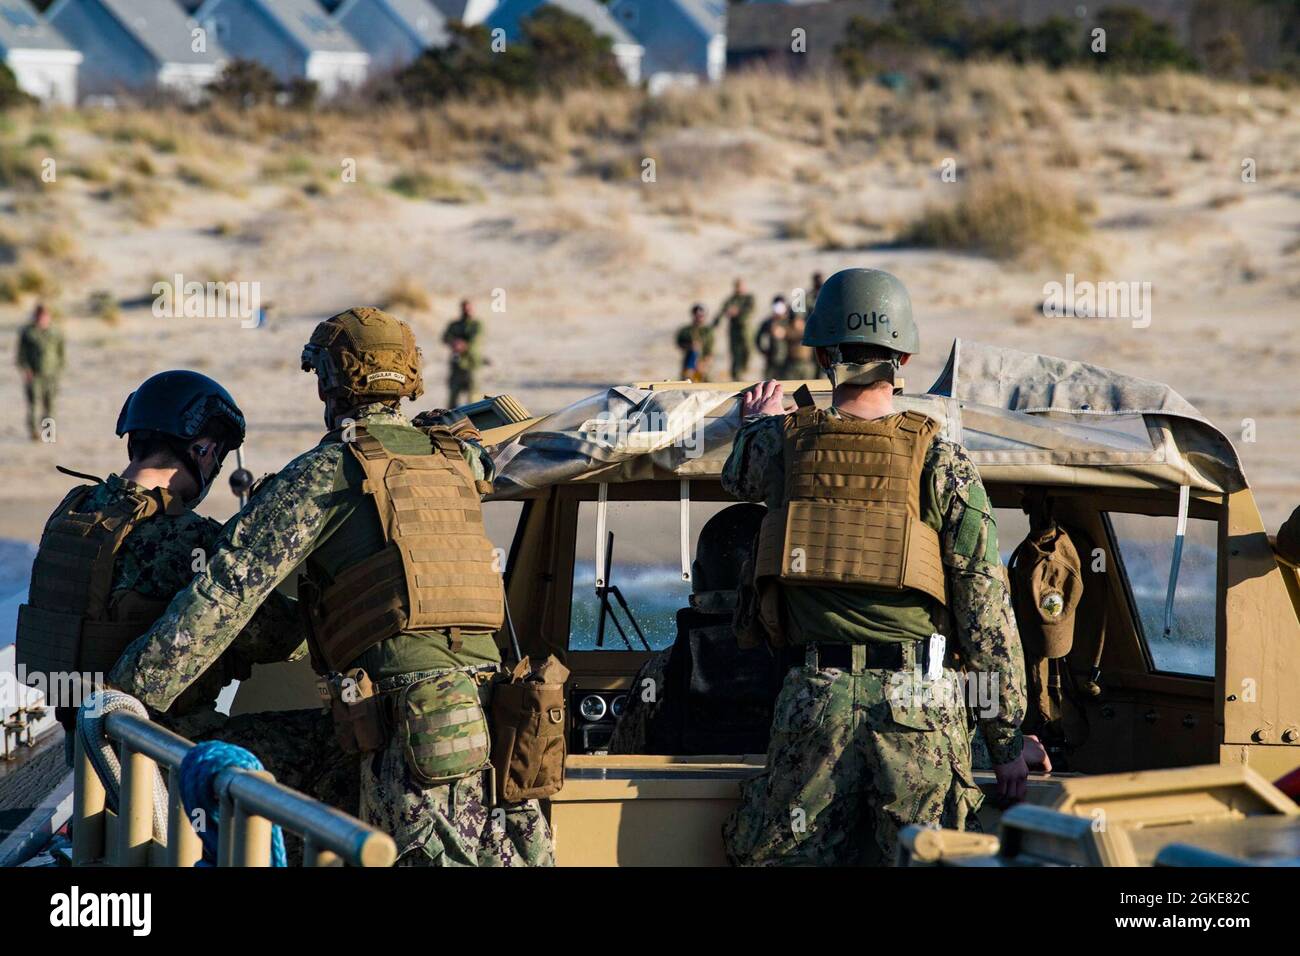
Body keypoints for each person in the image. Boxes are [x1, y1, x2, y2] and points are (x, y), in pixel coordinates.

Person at [109, 308, 554, 866]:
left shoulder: (323, 474)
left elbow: (222, 595)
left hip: (418, 730)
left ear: (327, 382)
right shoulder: (455, 458)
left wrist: (128, 696)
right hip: (504, 718)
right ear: (410, 377)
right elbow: (481, 445)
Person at [720, 267, 1047, 867]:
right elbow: (986, 615)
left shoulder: (780, 446)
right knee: (929, 858)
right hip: (919, 706)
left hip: (813, 701)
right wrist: (1005, 742)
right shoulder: (943, 462)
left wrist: (756, 424)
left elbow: (738, 475)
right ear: (904, 358)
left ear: (821, 354)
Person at [15, 371, 309, 765]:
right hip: (161, 746)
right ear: (202, 449)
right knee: (326, 741)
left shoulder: (73, 512)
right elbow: (278, 637)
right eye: (215, 454)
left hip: (84, 737)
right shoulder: (183, 537)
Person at [610, 503, 781, 756]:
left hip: (681, 795)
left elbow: (625, 755)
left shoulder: (661, 670)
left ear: (698, 577)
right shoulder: (806, 663)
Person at [16, 304, 65, 441]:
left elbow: (61, 352)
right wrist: (26, 370)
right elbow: (21, 355)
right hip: (34, 375)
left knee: (50, 404)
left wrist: (59, 369)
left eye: (44, 316)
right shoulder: (28, 332)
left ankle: (48, 434)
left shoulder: (55, 332)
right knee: (34, 405)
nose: (42, 319)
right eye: (39, 316)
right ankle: (33, 432)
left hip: (51, 374)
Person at [711, 278, 756, 380]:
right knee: (735, 353)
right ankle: (736, 376)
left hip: (746, 330)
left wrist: (738, 312)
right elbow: (721, 312)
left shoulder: (749, 298)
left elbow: (751, 311)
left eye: (740, 286)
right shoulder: (731, 299)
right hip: (734, 331)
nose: (739, 288)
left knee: (747, 351)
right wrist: (714, 325)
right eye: (737, 286)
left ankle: (745, 371)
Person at [442, 299, 483, 408]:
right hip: (456, 364)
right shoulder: (454, 325)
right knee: (453, 396)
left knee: (473, 397)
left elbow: (475, 340)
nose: (466, 311)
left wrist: (462, 345)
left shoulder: (476, 324)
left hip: (471, 363)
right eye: (465, 308)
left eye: (469, 308)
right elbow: (445, 337)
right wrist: (453, 342)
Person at [676, 303, 715, 382]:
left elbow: (710, 349)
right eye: (697, 315)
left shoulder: (708, 331)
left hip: (703, 364)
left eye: (701, 315)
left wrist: (705, 363)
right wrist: (690, 346)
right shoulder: (686, 330)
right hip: (689, 364)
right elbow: (679, 343)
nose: (699, 318)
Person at [753, 296, 790, 379]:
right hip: (771, 359)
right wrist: (764, 351)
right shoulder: (768, 322)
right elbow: (758, 338)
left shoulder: (789, 321)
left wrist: (785, 333)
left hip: (788, 360)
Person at [778, 312, 820, 380]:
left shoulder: (808, 330)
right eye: (796, 320)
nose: (798, 322)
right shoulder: (789, 330)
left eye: (800, 320)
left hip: (806, 364)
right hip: (792, 364)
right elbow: (783, 333)